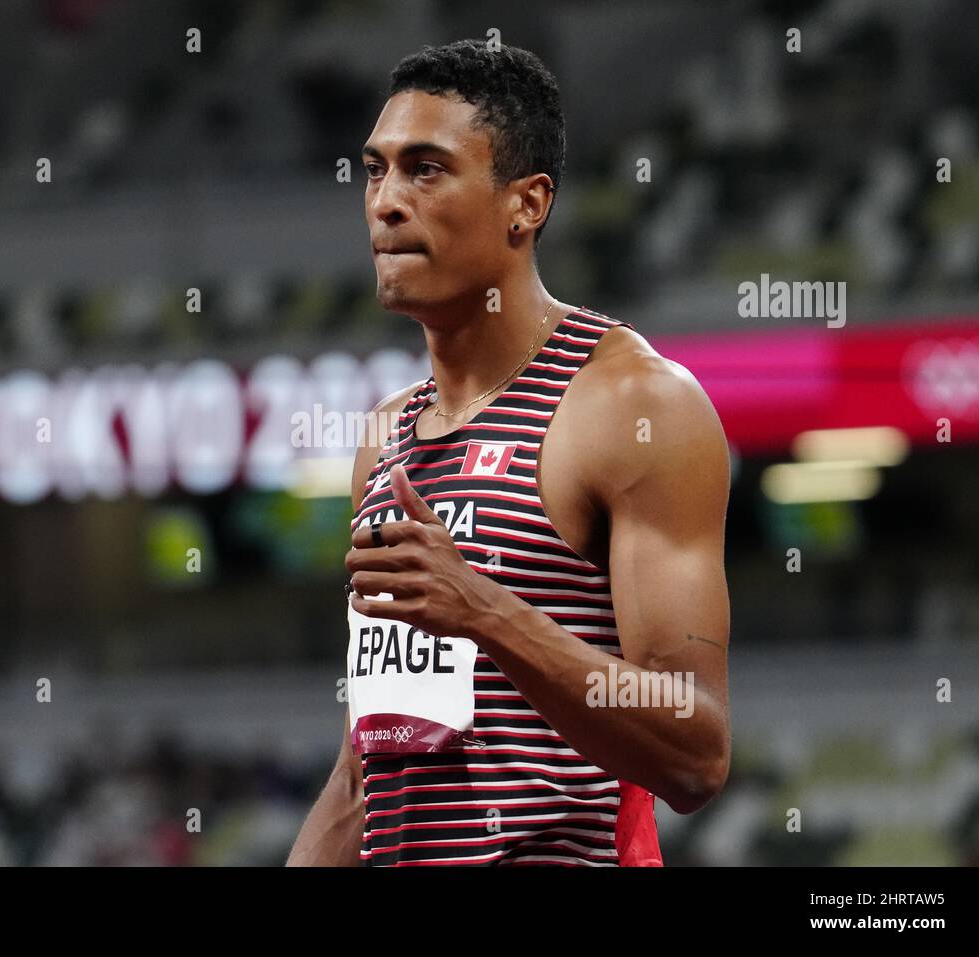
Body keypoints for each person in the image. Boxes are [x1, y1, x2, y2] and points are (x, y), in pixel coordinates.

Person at [287, 39, 730, 866]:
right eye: (375, 170)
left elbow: (697, 751)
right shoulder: (385, 441)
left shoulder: (633, 405)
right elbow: (365, 774)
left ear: (526, 204)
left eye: (425, 169)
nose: (384, 202)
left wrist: (483, 609)